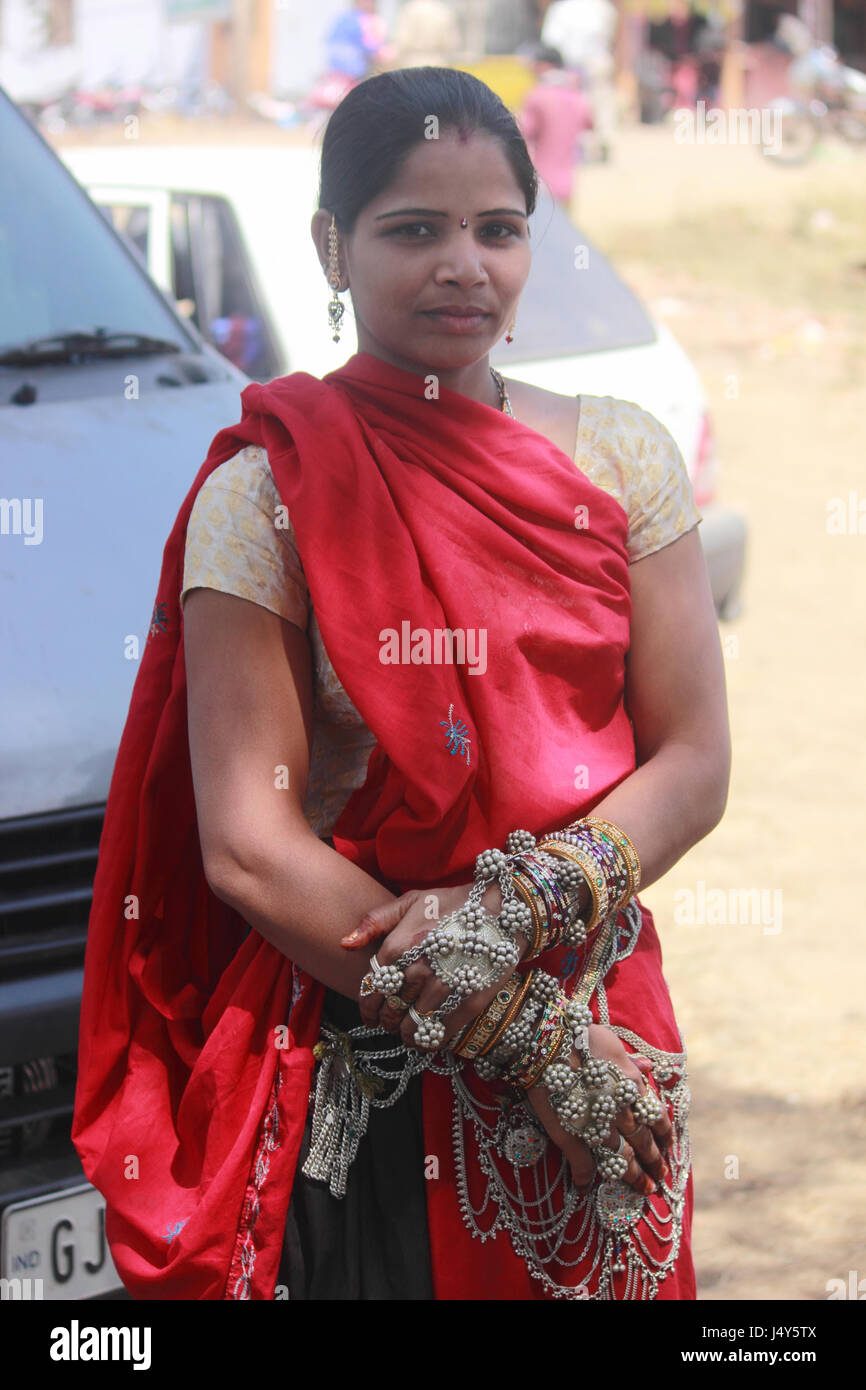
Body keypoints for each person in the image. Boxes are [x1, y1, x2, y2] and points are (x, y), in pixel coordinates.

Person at [72, 65, 730, 1301]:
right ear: (333, 246)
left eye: (496, 230)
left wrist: (510, 914)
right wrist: (523, 1030)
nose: (462, 266)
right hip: (367, 1046)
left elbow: (692, 760)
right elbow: (252, 846)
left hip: (604, 1019)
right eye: (412, 230)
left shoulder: (619, 458)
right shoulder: (265, 494)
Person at [519, 43, 594, 207]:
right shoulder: (577, 97)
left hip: (540, 184)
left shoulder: (537, 96)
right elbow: (590, 124)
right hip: (568, 185)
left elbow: (522, 134)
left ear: (543, 66)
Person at [393, 0, 461, 69]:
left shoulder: (410, 9)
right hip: (438, 63)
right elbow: (451, 43)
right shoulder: (444, 11)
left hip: (412, 62)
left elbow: (402, 41)